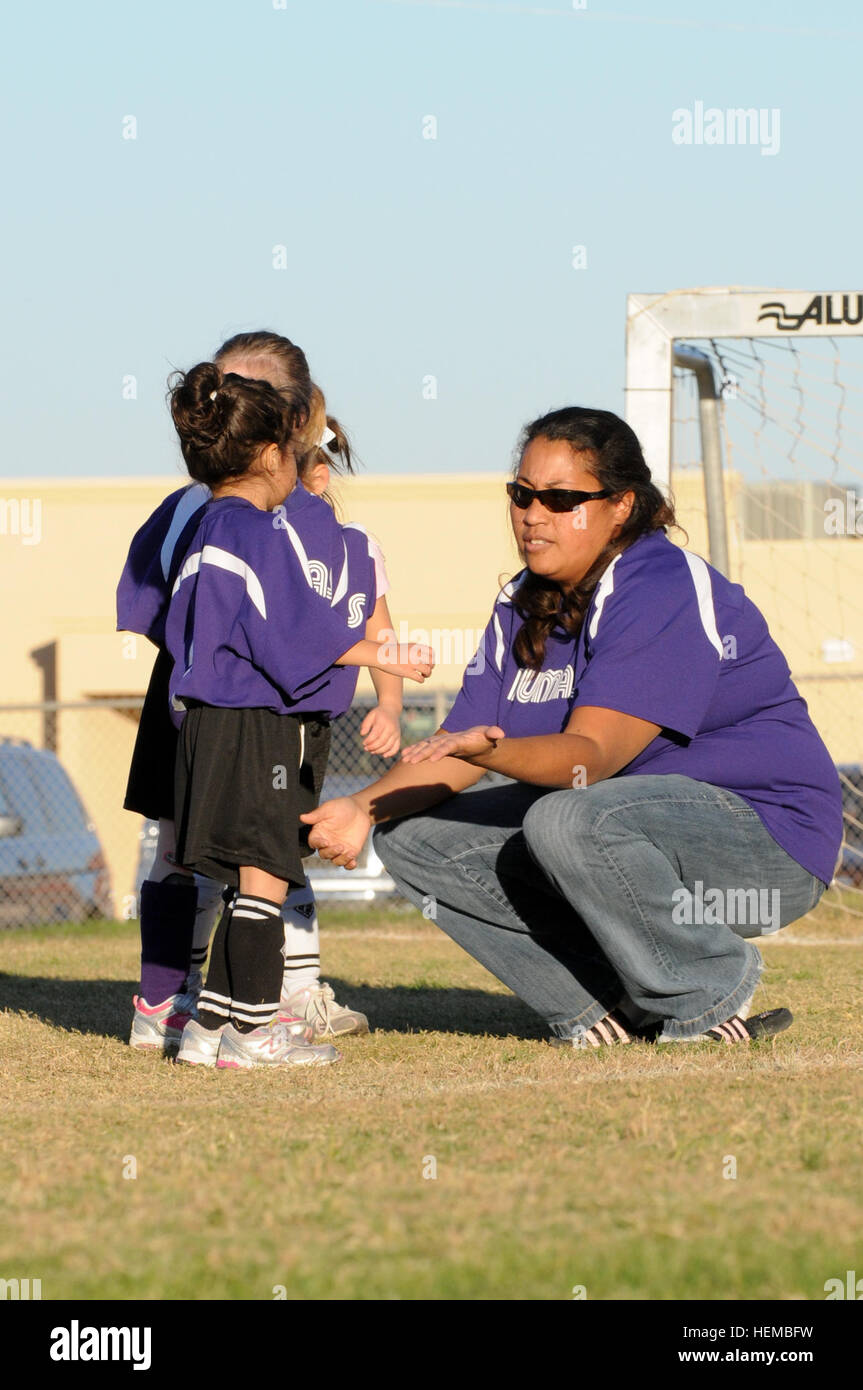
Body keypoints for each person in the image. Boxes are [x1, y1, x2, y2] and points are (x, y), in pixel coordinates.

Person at [301, 407, 843, 1048]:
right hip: (623, 827)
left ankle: (706, 995)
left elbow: (592, 758)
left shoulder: (660, 584)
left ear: (622, 506)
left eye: (561, 499)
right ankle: (604, 1008)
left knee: (566, 817)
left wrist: (493, 751)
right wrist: (363, 808)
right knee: (413, 835)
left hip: (767, 841)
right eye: (522, 494)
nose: (533, 514)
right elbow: (459, 746)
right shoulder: (521, 602)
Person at [118, 332, 404, 1053]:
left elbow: (347, 607)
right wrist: (211, 659)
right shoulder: (213, 510)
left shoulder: (310, 512)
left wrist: (383, 683)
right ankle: (171, 1003)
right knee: (200, 849)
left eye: (255, 398)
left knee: (267, 845)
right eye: (224, 390)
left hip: (240, 695)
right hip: (219, 696)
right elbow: (152, 597)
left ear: (295, 419)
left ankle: (288, 994)